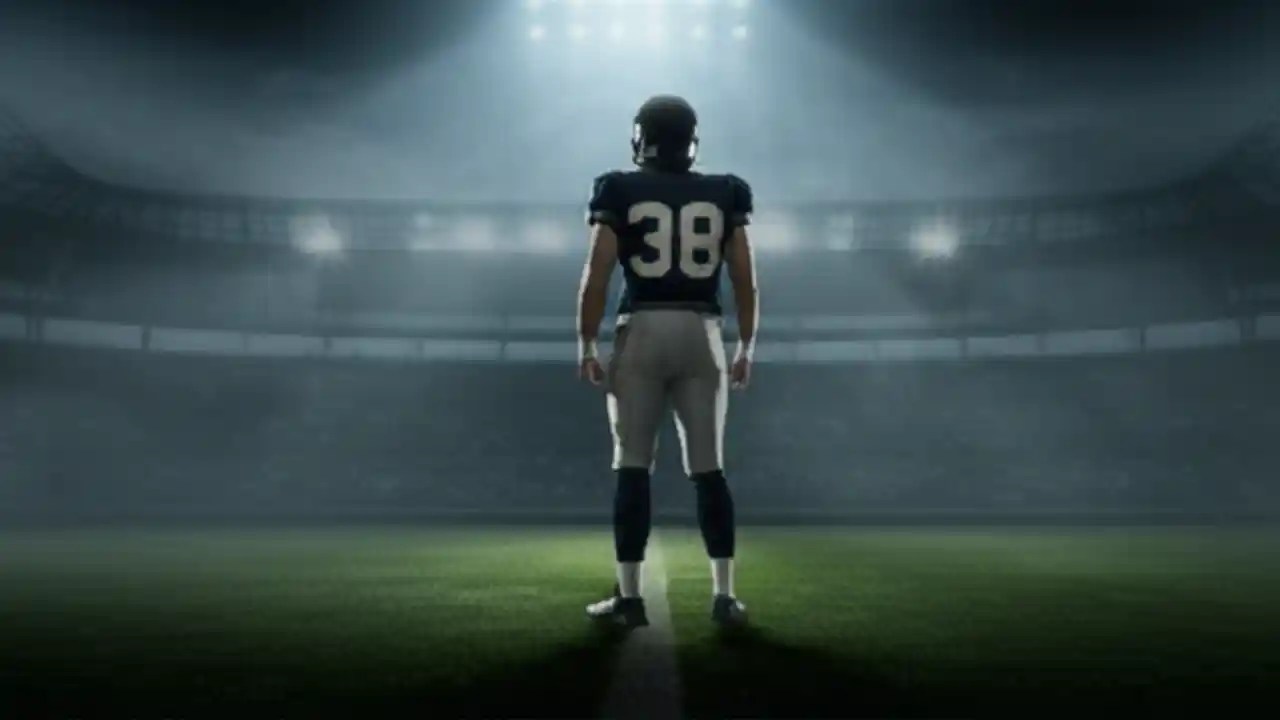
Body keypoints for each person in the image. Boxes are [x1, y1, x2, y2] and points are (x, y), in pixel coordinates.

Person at [576, 95, 758, 628]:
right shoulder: (725, 191)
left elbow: (598, 273)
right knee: (709, 469)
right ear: (691, 138)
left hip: (645, 328)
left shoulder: (619, 188)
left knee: (632, 466)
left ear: (641, 137)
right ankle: (725, 596)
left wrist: (587, 343)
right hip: (703, 333)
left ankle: (630, 600)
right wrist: (746, 345)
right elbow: (744, 278)